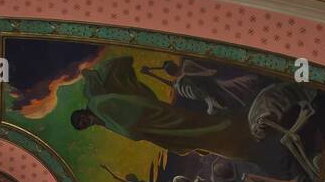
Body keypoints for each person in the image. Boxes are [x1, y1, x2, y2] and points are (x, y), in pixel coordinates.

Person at [70, 55, 261, 161]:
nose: (84, 123)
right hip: (152, 130)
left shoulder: (99, 104)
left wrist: (154, 109)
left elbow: (133, 104)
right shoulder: (101, 119)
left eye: (81, 120)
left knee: (190, 126)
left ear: (83, 114)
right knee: (188, 138)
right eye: (81, 126)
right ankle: (226, 142)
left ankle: (230, 130)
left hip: (155, 118)